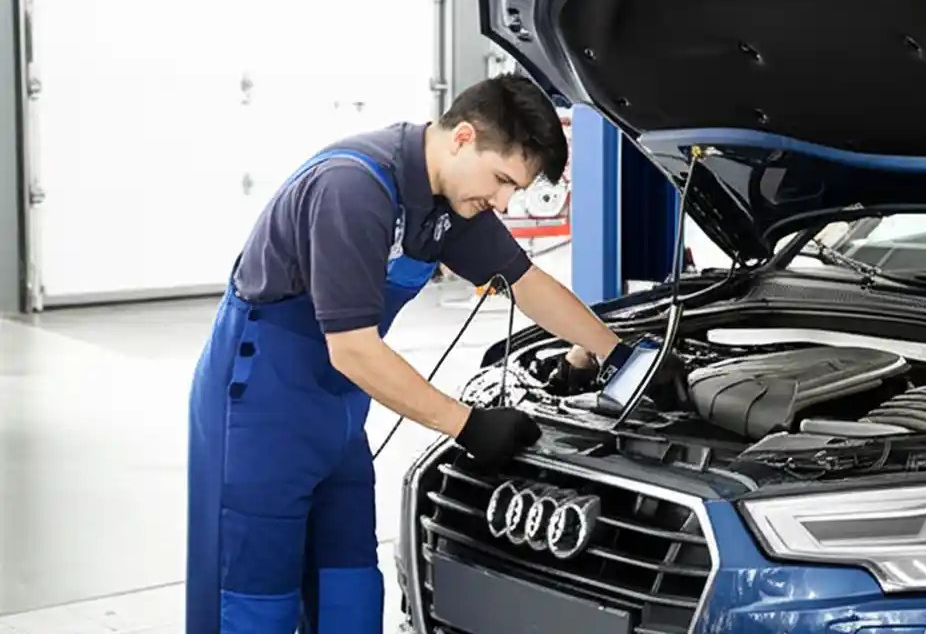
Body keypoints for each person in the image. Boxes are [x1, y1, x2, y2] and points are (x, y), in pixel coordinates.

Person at [185, 74, 638, 633]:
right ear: (463, 137)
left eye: (513, 191)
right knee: (255, 600)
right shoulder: (352, 189)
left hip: (339, 412)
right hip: (258, 412)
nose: (501, 202)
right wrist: (466, 424)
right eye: (501, 181)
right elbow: (352, 349)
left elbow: (526, 283)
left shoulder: (447, 204)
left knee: (347, 585)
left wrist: (620, 355)